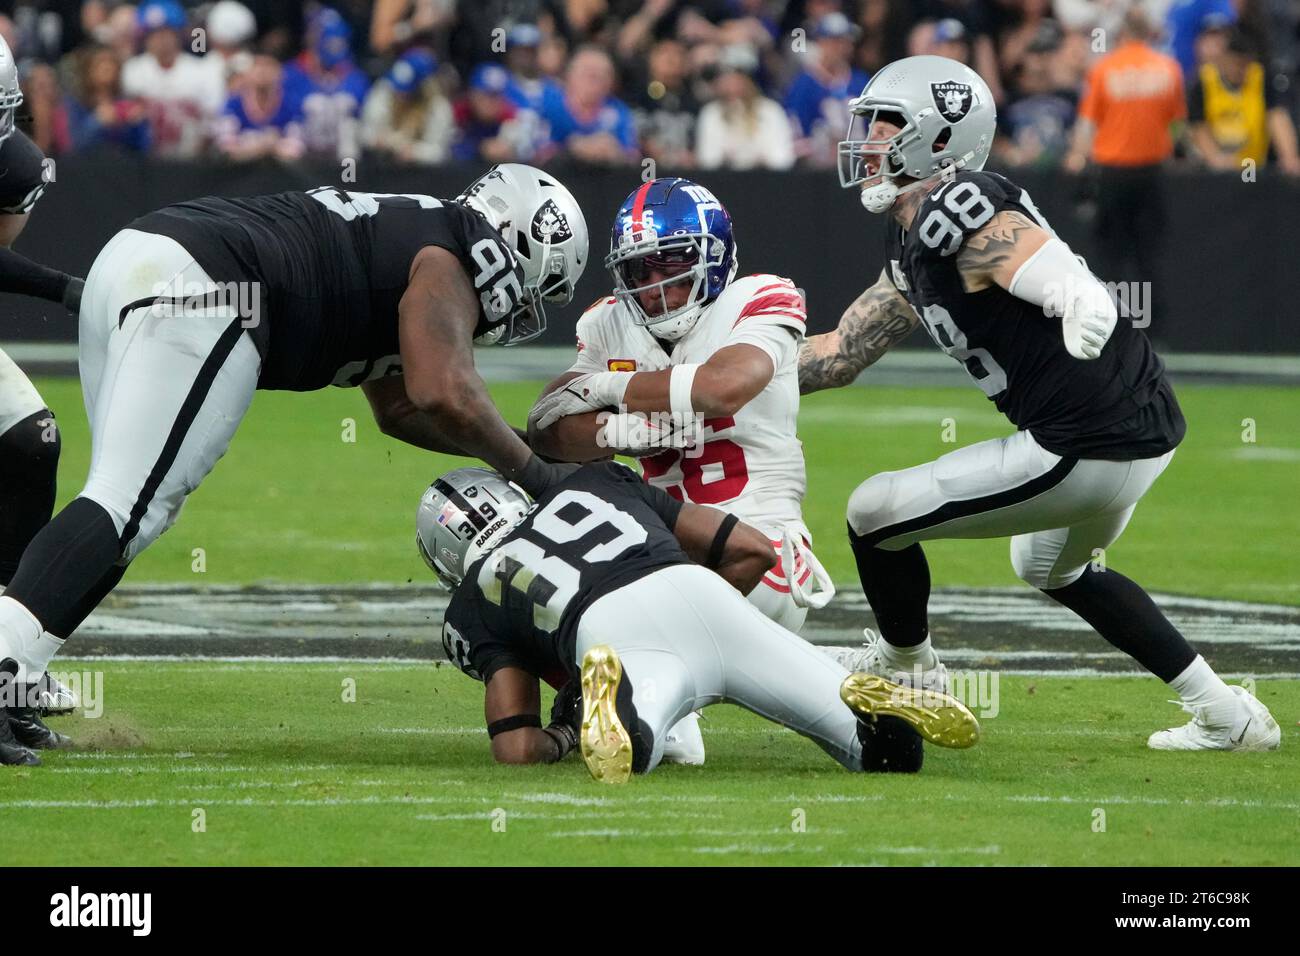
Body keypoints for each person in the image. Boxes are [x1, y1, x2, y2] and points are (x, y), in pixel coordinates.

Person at [0, 165, 588, 766]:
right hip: (205, 286)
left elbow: (404, 407)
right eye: (541, 287)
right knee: (127, 505)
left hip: (142, 262)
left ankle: (16, 675)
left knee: (125, 510)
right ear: (517, 244)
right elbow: (446, 391)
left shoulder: (420, 235)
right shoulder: (454, 251)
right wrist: (540, 477)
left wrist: (532, 453)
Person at [798, 53, 1281, 753]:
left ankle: (910, 669)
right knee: (1050, 565)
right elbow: (841, 353)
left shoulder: (954, 206)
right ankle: (1226, 714)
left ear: (940, 138)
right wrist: (712, 380)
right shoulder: (913, 234)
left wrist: (1077, 296)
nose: (867, 140)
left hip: (1081, 441)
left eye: (884, 124)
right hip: (1135, 426)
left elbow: (1036, 261)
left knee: (874, 513)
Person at [528, 176, 830, 766]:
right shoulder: (607, 322)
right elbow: (548, 430)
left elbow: (722, 388)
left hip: (760, 551)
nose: (654, 285)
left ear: (713, 258)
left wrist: (610, 388)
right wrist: (619, 430)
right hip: (656, 553)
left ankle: (642, 710)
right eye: (638, 270)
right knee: (556, 588)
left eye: (668, 263)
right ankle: (661, 712)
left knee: (645, 622)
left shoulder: (759, 299)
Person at [421, 464, 979, 782]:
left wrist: (563, 733)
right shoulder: (591, 483)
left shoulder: (473, 601)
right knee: (890, 761)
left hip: (608, 631)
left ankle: (615, 706)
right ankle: (865, 701)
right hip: (699, 592)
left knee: (630, 753)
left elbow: (514, 748)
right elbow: (752, 549)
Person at [0, 33, 86, 751]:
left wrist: (66, 291)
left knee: (33, 440)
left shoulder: (12, 162)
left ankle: (3, 649)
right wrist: (62, 288)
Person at [1187, 29, 1300, 175]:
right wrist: (1216, 158)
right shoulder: (1203, 81)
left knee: (1250, 184)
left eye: (1245, 65)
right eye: (1236, 64)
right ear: (1224, 58)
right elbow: (1198, 125)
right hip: (1219, 164)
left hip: (1253, 162)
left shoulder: (1260, 77)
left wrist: (1289, 157)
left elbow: (1276, 116)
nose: (1241, 71)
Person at [121, 1, 226, 157]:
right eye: (154, 33)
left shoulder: (202, 70)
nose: (161, 39)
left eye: (167, 32)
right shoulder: (132, 70)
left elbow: (215, 119)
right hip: (144, 163)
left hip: (194, 162)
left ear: (179, 33)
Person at [696, 44, 795, 171]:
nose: (733, 84)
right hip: (722, 182)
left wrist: (758, 158)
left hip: (766, 181)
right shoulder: (711, 113)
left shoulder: (770, 110)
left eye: (739, 77)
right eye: (726, 78)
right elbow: (707, 160)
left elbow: (782, 159)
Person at [360, 48, 453, 164]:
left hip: (424, 174)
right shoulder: (385, 89)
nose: (400, 95)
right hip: (382, 166)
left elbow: (439, 152)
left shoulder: (438, 106)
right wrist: (377, 139)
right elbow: (365, 132)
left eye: (408, 90)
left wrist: (415, 152)